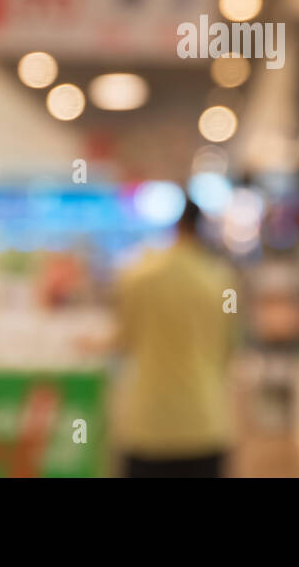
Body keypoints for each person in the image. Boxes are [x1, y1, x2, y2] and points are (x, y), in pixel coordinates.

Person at [114, 198, 237, 477]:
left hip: (148, 424)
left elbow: (123, 340)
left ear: (175, 227)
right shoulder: (223, 282)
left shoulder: (136, 277)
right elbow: (229, 348)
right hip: (205, 421)